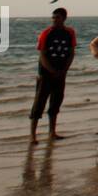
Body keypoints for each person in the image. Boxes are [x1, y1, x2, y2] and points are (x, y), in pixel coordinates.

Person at [30, 8, 76, 144]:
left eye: (57, 17)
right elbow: (42, 55)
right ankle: (33, 135)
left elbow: (71, 52)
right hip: (45, 74)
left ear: (64, 18)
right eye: (53, 17)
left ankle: (52, 132)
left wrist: (64, 70)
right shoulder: (46, 33)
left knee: (56, 103)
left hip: (61, 73)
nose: (54, 20)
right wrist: (51, 71)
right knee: (39, 104)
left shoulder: (70, 33)